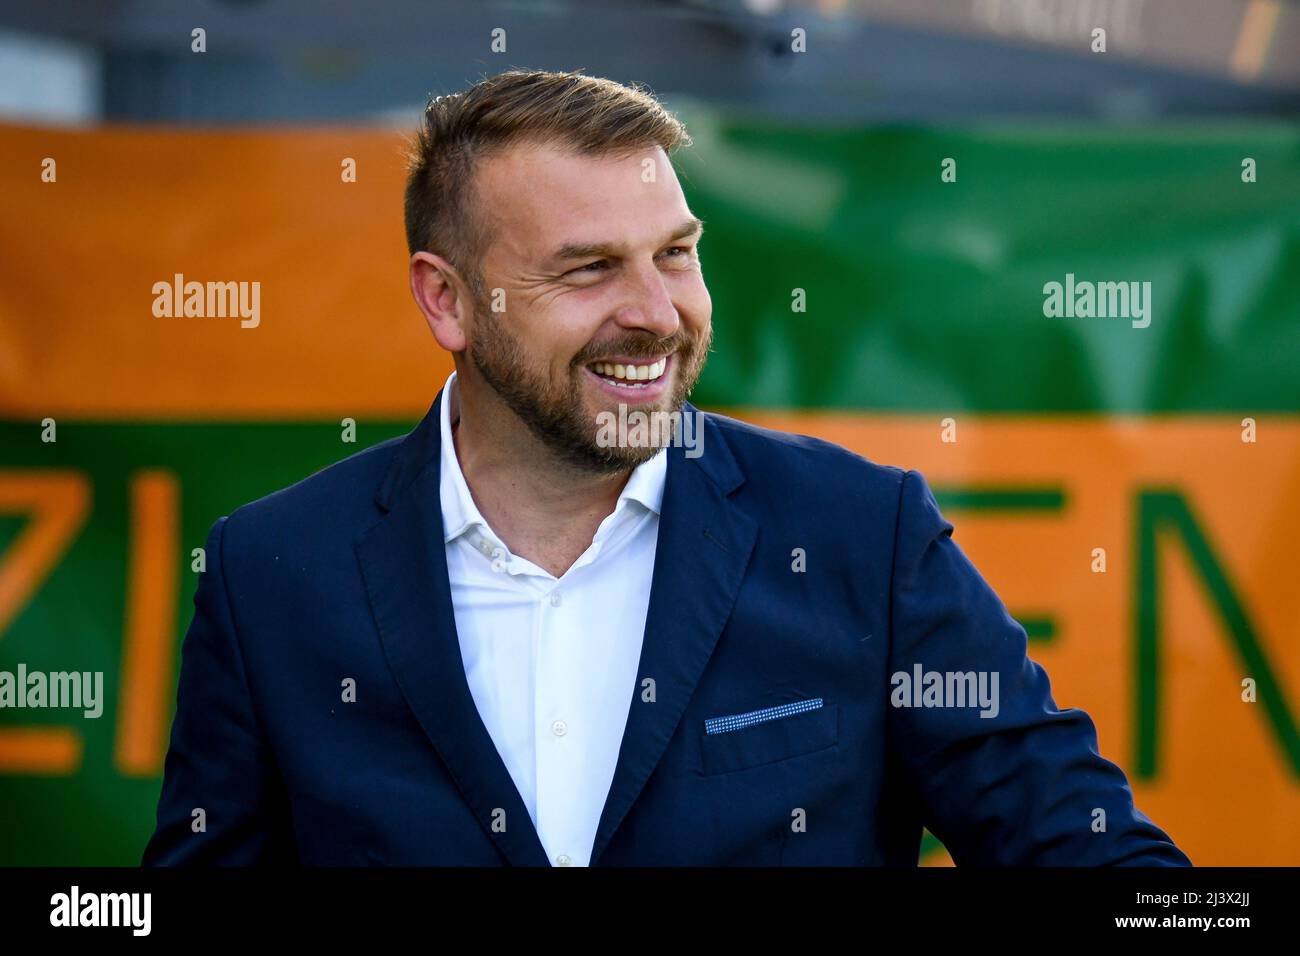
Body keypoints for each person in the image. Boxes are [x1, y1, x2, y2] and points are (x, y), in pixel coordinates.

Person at [143, 69, 1189, 867]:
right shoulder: (272, 571)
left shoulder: (859, 537)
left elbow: (1086, 849)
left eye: (675, 253)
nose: (657, 311)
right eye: (588, 267)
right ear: (447, 300)